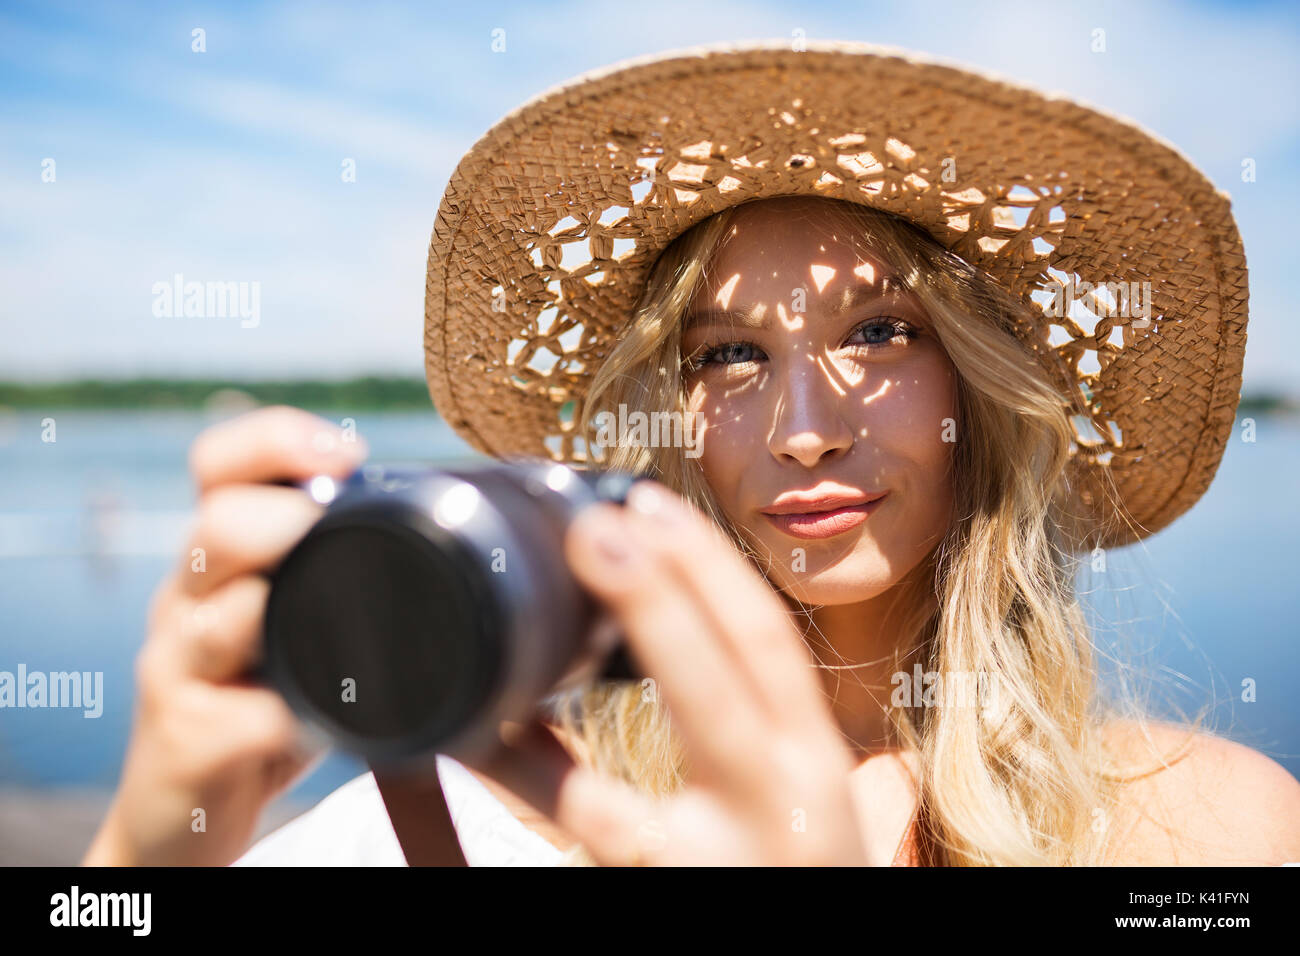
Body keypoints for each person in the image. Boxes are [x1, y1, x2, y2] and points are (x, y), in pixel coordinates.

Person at [83, 40, 1300, 867]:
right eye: (727, 357)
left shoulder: (1203, 832)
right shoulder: (483, 819)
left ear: (981, 387)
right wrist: (142, 852)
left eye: (880, 331)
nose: (805, 426)